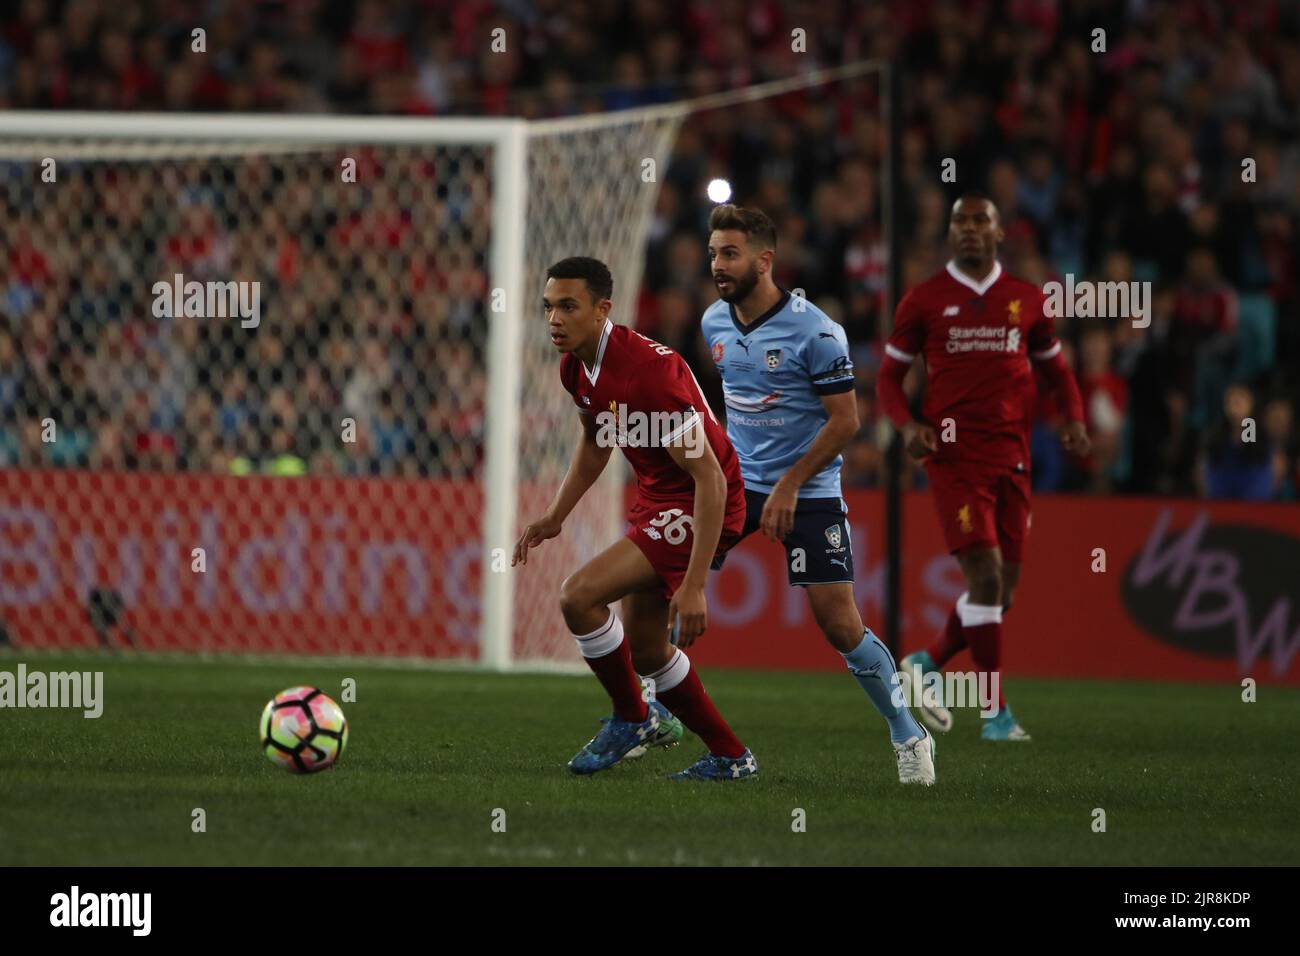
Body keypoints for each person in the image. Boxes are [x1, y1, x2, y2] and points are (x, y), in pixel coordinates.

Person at [699, 204, 934, 785]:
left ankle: (907, 730)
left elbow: (847, 421)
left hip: (808, 491)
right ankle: (651, 709)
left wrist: (789, 483)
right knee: (662, 574)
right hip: (737, 485)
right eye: (713, 253)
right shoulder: (713, 323)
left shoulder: (817, 331)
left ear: (765, 259)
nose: (718, 265)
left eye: (730, 254)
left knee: (838, 624)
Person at [513, 256, 758, 781]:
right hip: (658, 498)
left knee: (577, 596)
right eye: (548, 307)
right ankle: (732, 757)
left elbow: (710, 479)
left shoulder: (649, 375)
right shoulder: (575, 367)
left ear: (603, 309)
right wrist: (556, 515)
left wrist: (694, 587)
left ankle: (632, 717)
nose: (554, 318)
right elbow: (598, 438)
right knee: (646, 650)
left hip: (700, 499)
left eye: (568, 306)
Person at [877, 192, 1090, 741]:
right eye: (960, 221)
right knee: (987, 577)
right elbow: (887, 380)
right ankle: (996, 714)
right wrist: (908, 427)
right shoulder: (924, 301)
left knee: (1003, 591)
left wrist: (1071, 415)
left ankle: (926, 661)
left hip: (1013, 457)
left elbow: (1057, 371)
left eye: (981, 221)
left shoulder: (1025, 299)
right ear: (950, 234)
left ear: (999, 234)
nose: (970, 229)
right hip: (954, 459)